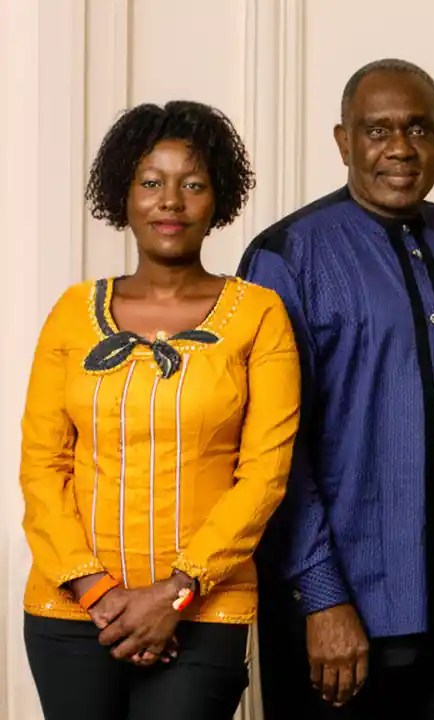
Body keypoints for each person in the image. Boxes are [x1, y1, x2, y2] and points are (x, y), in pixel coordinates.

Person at [238, 58, 434, 718]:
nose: (400, 148)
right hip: (342, 616)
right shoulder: (288, 256)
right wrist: (321, 595)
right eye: (378, 130)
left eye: (419, 129)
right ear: (343, 141)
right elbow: (271, 446)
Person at [19, 100, 300, 720]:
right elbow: (42, 467)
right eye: (151, 182)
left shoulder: (258, 314)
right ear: (123, 194)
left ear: (218, 199)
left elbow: (264, 476)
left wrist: (171, 597)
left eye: (192, 184)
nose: (169, 201)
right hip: (71, 613)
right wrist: (99, 594)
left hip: (205, 610)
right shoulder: (72, 311)